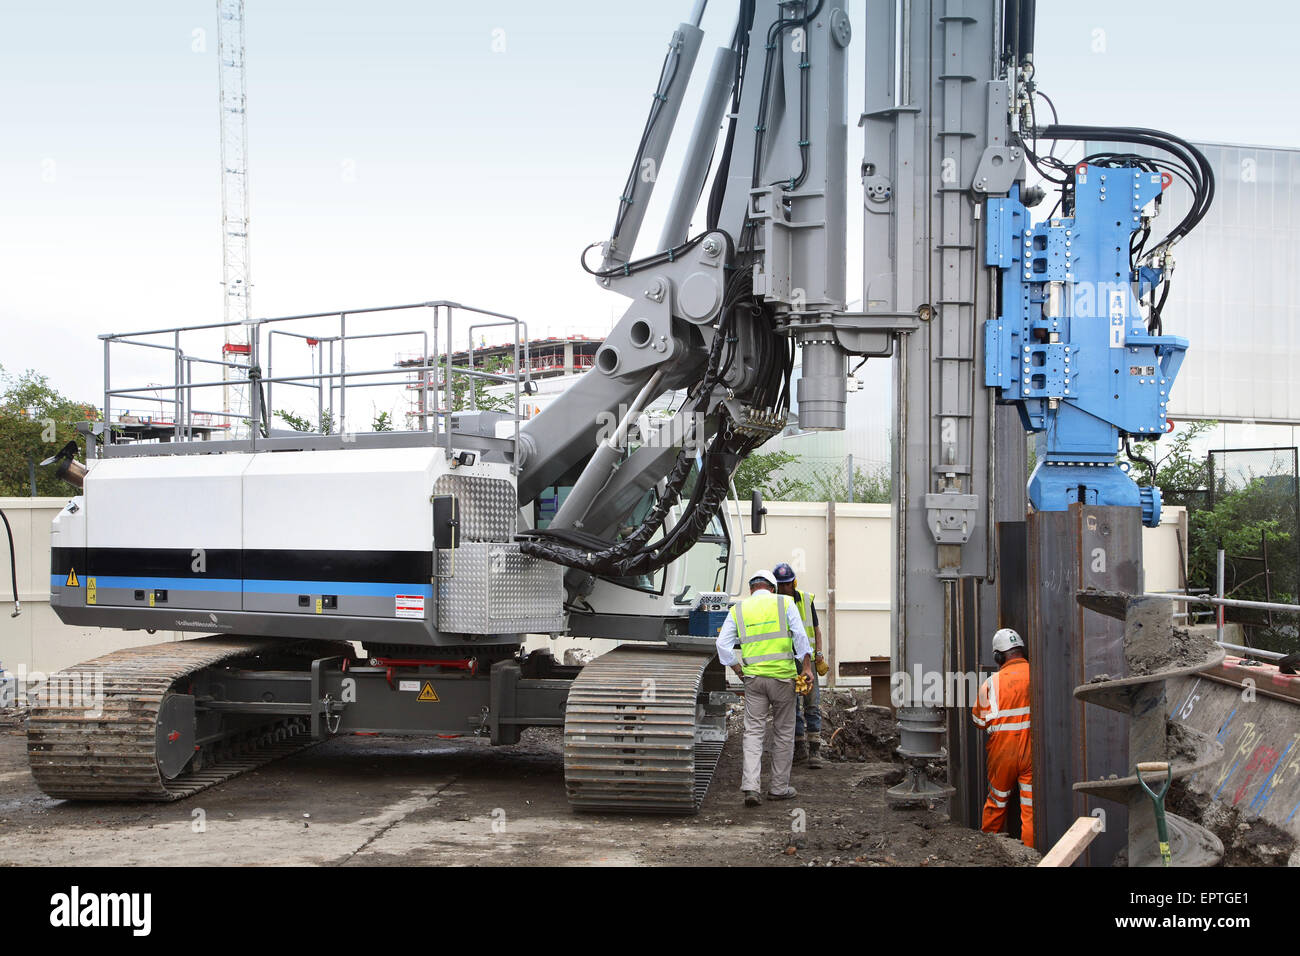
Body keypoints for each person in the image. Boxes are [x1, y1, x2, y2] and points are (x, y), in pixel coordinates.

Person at [715, 569, 813, 807]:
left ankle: (751, 787)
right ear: (772, 587)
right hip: (783, 679)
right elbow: (800, 637)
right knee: (783, 733)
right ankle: (779, 788)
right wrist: (807, 668)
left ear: (752, 589)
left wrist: (738, 670)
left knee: (753, 732)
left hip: (754, 680)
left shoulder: (738, 609)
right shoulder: (785, 603)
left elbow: (722, 645)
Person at [971, 627, 1033, 847]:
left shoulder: (990, 684)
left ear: (998, 656)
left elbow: (979, 721)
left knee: (997, 802)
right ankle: (1030, 856)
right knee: (1030, 808)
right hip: (1031, 748)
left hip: (1002, 752)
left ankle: (988, 850)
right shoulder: (1036, 674)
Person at [773, 562, 825, 768]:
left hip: (807, 660)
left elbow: (816, 629)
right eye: (781, 585)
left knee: (811, 705)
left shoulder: (805, 599)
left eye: (787, 584)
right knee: (791, 707)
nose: (785, 588)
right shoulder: (774, 603)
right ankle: (799, 747)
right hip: (787, 661)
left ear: (793, 582)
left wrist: (818, 654)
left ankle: (815, 750)